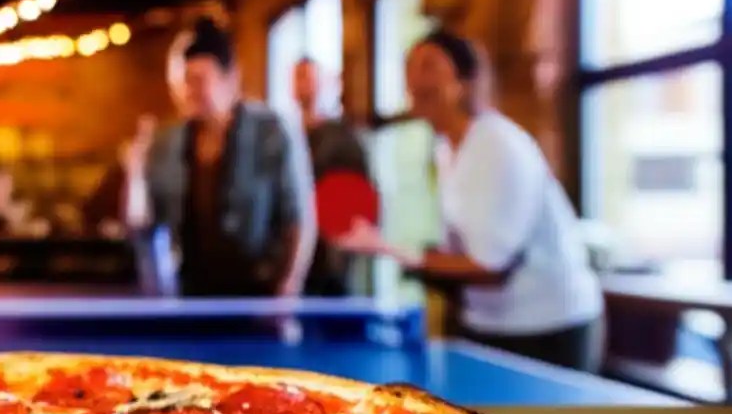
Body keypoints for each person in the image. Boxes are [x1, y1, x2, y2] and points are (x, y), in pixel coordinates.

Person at [337, 30, 603, 371]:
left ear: (464, 81)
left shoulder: (497, 143)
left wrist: (387, 247)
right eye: (410, 67)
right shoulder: (445, 149)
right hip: (488, 326)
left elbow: (490, 266)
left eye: (429, 65)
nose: (415, 79)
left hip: (547, 329)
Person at [121, 18, 316, 297]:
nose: (190, 91)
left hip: (257, 295)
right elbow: (141, 224)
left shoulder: (271, 132)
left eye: (199, 80)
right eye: (183, 81)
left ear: (231, 77)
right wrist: (135, 170)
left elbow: (299, 219)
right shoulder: (169, 141)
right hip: (187, 296)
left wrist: (286, 292)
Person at [293, 57, 370, 295]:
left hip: (333, 260)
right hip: (296, 259)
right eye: (299, 78)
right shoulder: (287, 138)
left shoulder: (344, 139)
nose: (305, 85)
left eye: (310, 77)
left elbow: (360, 199)